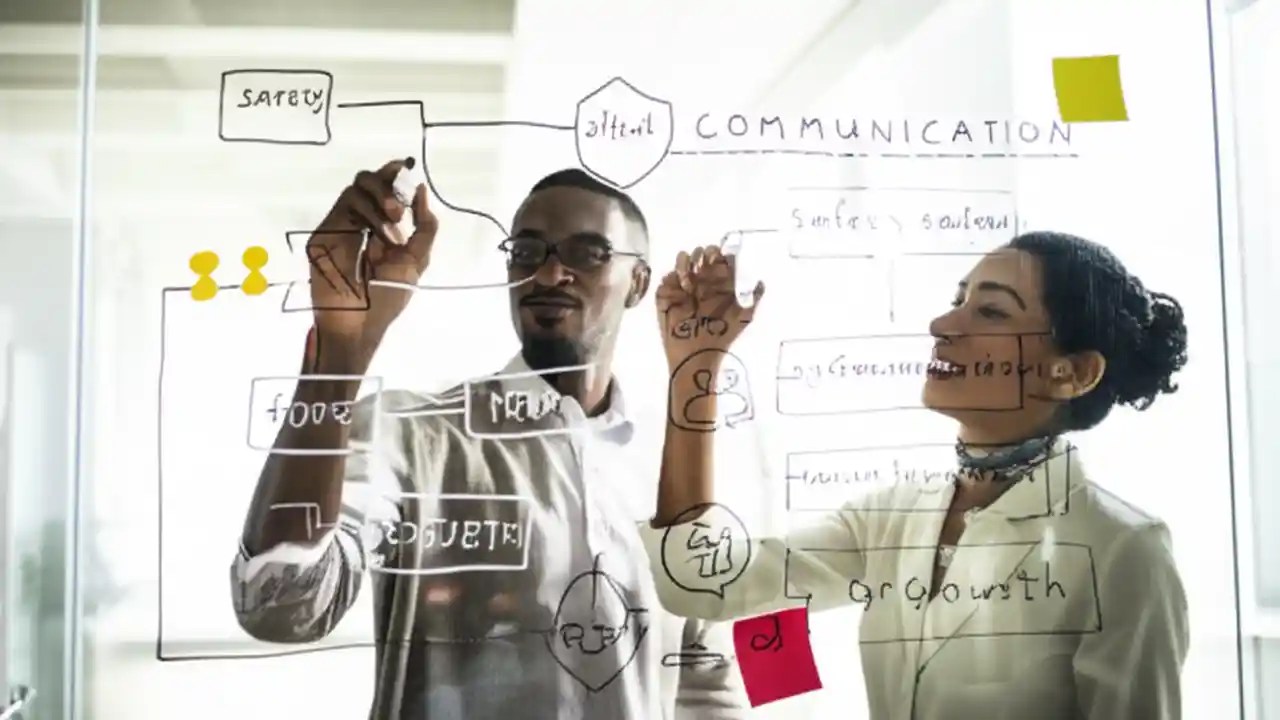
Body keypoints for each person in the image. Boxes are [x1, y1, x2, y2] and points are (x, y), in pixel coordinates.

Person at [231, 159, 751, 719]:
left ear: (638, 283)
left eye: (587, 253)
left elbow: (715, 676)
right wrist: (340, 351)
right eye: (527, 252)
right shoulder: (412, 436)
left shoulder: (676, 465)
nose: (549, 276)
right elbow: (279, 606)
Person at [642, 231, 1192, 719]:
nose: (942, 324)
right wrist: (697, 363)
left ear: (1072, 373)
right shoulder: (893, 518)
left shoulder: (1123, 549)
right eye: (958, 300)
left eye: (992, 312)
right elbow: (703, 582)